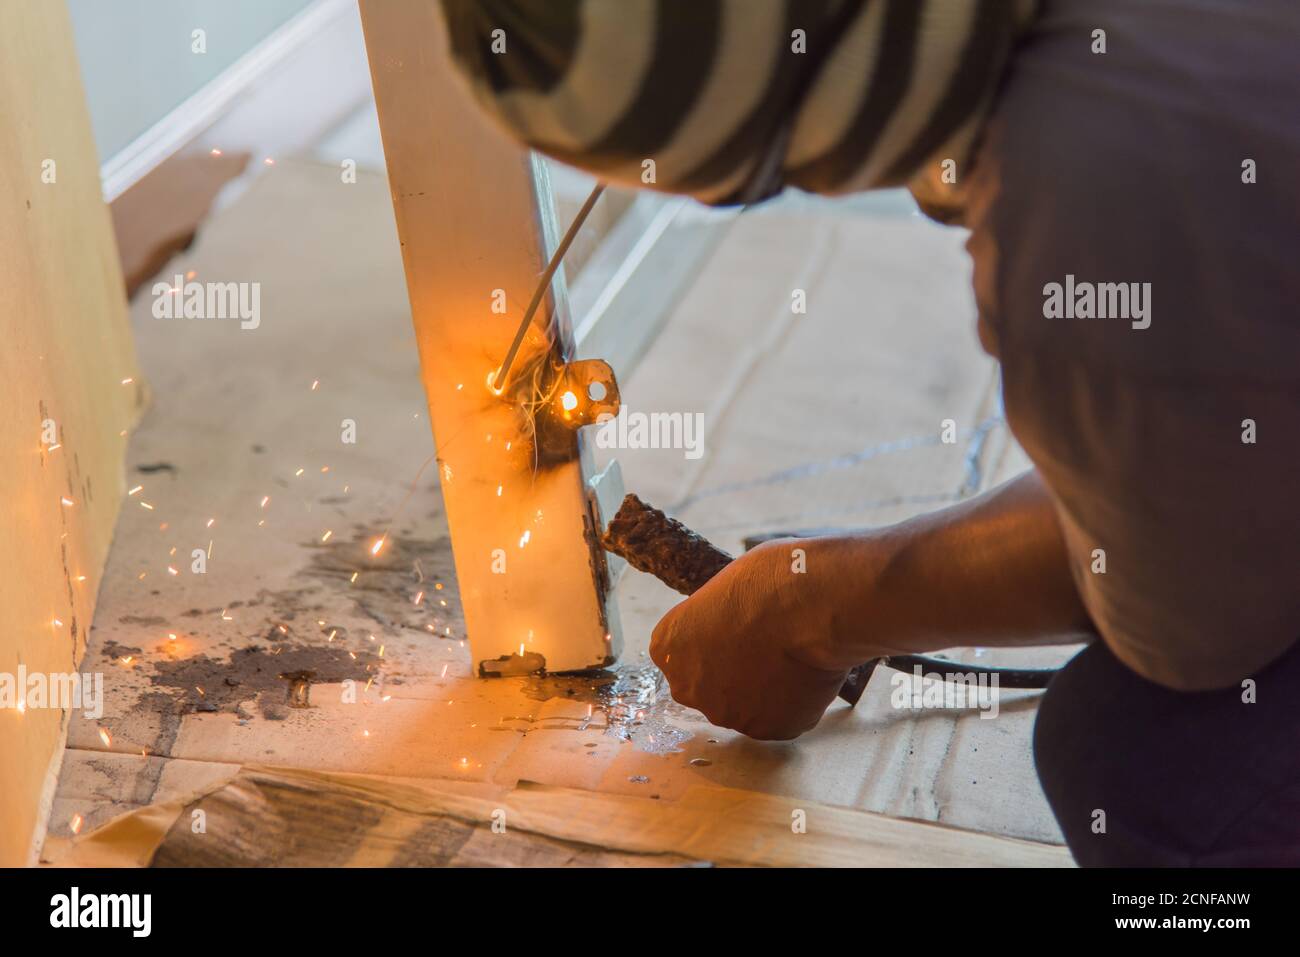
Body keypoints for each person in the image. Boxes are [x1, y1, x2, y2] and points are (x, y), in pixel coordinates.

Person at [436, 0, 1300, 865]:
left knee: (1143, 761)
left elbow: (1199, 593)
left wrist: (816, 609)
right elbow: (1205, 472)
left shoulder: (1094, 188)